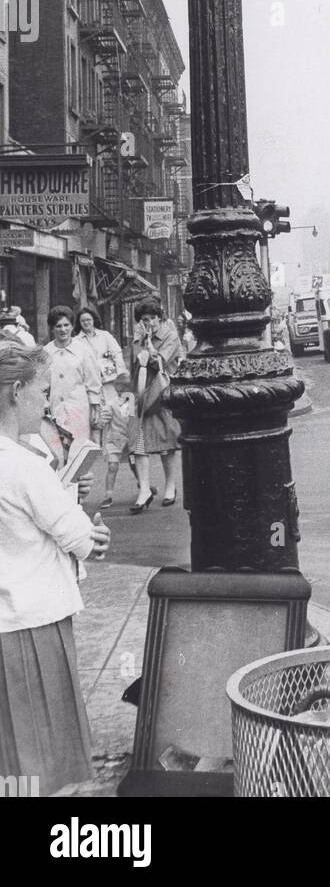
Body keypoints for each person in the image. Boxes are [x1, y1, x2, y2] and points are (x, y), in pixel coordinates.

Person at [0, 340, 111, 795]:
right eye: (42, 391)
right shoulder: (24, 467)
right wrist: (95, 529)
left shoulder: (26, 460)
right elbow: (85, 542)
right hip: (34, 621)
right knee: (41, 751)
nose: (47, 402)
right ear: (16, 393)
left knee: (11, 752)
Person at [130, 300, 182, 513]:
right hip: (142, 395)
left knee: (166, 443)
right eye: (144, 320)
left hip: (162, 395)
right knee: (139, 444)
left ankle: (170, 486)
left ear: (160, 319)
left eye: (152, 319)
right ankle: (144, 490)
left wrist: (149, 345)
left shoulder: (170, 336)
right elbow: (134, 365)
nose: (149, 323)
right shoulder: (138, 339)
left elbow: (157, 363)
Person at [43, 305, 101, 465]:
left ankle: (77, 490)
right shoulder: (45, 353)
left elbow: (93, 381)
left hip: (78, 410)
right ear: (52, 328)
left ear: (72, 326)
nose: (63, 330)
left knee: (77, 454)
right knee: (56, 455)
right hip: (55, 411)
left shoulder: (83, 351)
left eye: (66, 325)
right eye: (58, 326)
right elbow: (41, 386)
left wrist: (95, 407)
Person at [73, 306, 129, 449]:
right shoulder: (76, 341)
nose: (86, 323)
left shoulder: (105, 336)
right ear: (79, 323)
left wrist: (119, 371)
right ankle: (96, 446)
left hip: (108, 381)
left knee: (113, 410)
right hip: (90, 383)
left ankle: (114, 444)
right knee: (95, 414)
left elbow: (116, 352)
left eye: (88, 320)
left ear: (94, 320)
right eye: (83, 321)